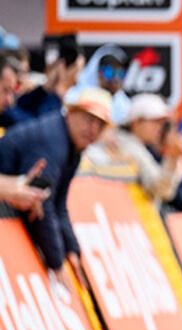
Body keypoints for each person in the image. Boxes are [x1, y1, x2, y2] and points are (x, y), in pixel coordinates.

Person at [0, 87, 112, 288]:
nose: (93, 129)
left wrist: (72, 250)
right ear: (71, 113)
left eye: (100, 125)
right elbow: (41, 202)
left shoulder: (71, 145)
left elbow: (58, 203)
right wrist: (57, 263)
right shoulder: (53, 142)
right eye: (89, 119)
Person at [3, 34, 82, 128]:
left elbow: (26, 107)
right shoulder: (5, 110)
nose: (25, 79)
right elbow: (40, 128)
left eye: (27, 72)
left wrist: (47, 88)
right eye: (22, 73)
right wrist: (60, 89)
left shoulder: (21, 101)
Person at [74, 44, 131, 124]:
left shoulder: (126, 107)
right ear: (95, 71)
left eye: (120, 73)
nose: (115, 79)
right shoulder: (74, 99)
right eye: (109, 72)